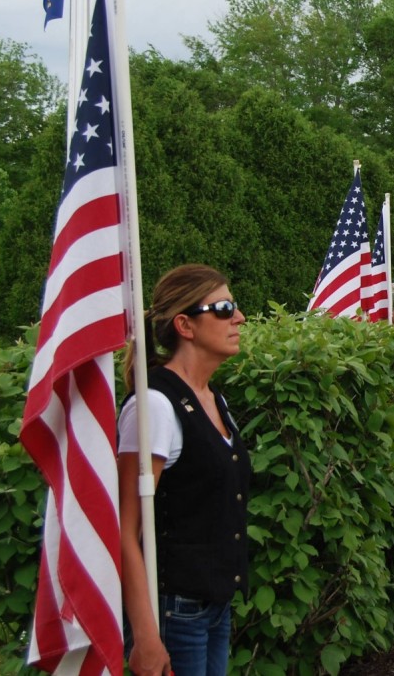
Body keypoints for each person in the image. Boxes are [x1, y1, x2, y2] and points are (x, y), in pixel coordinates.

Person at [118, 264, 252, 676]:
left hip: (214, 606)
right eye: (224, 307)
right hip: (176, 613)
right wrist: (145, 635)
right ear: (185, 325)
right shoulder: (155, 406)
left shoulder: (215, 400)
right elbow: (125, 529)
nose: (239, 317)